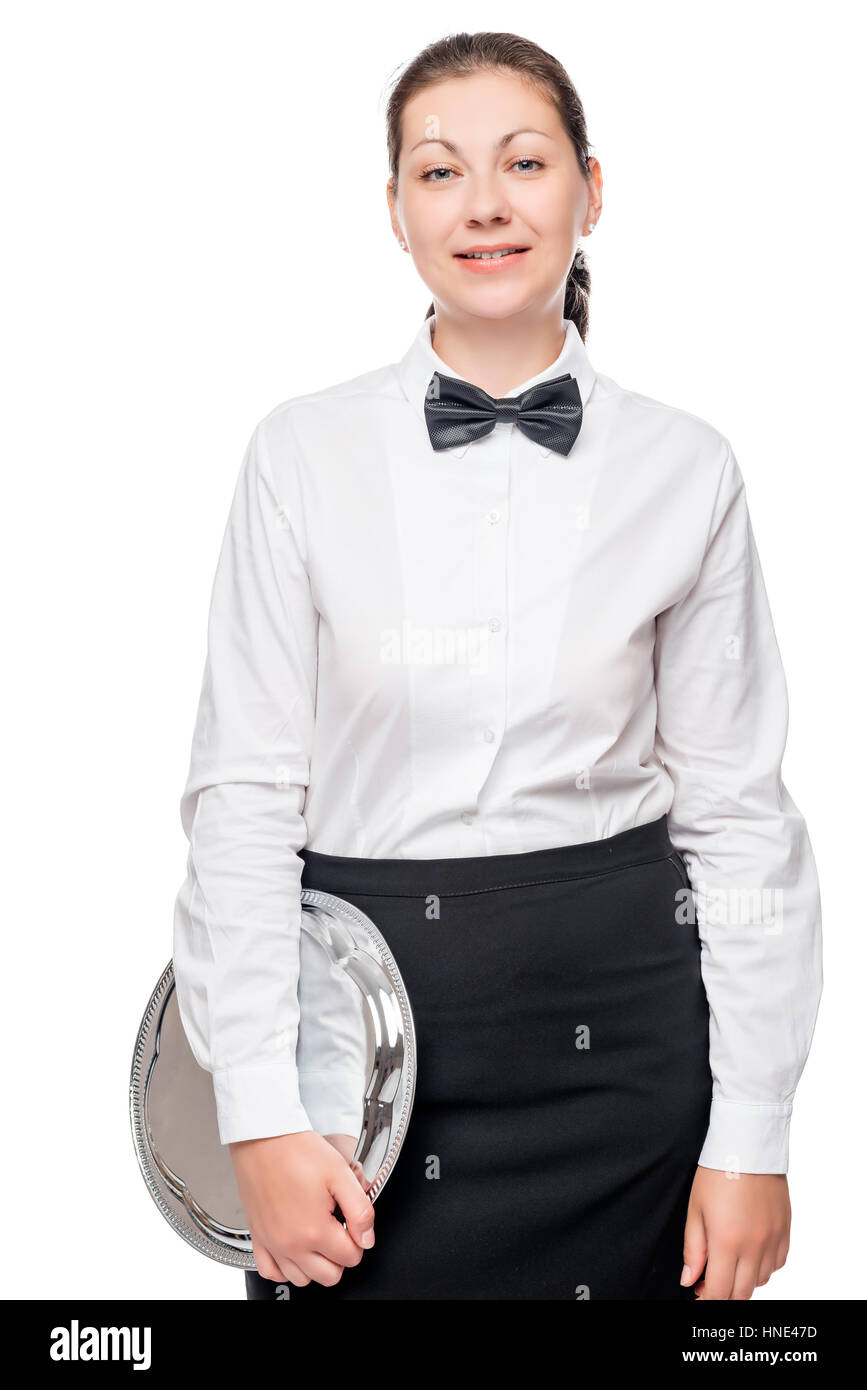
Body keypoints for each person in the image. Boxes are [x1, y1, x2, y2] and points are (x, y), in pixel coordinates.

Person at [172, 30, 823, 1301]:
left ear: (592, 189)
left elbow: (741, 817)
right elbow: (244, 798)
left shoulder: (687, 468)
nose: (484, 205)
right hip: (348, 1043)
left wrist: (753, 1131)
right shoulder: (297, 456)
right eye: (438, 171)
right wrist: (253, 1105)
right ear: (395, 210)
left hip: (624, 1055)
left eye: (524, 163)